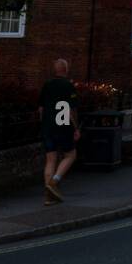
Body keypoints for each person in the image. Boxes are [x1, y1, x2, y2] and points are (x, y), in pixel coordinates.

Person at [38, 58, 80, 205]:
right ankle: (54, 183)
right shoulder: (69, 86)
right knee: (70, 155)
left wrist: (43, 124)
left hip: (48, 126)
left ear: (54, 70)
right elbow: (71, 110)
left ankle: (48, 196)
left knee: (50, 160)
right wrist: (76, 128)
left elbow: (41, 108)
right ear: (66, 70)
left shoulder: (47, 85)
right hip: (63, 125)